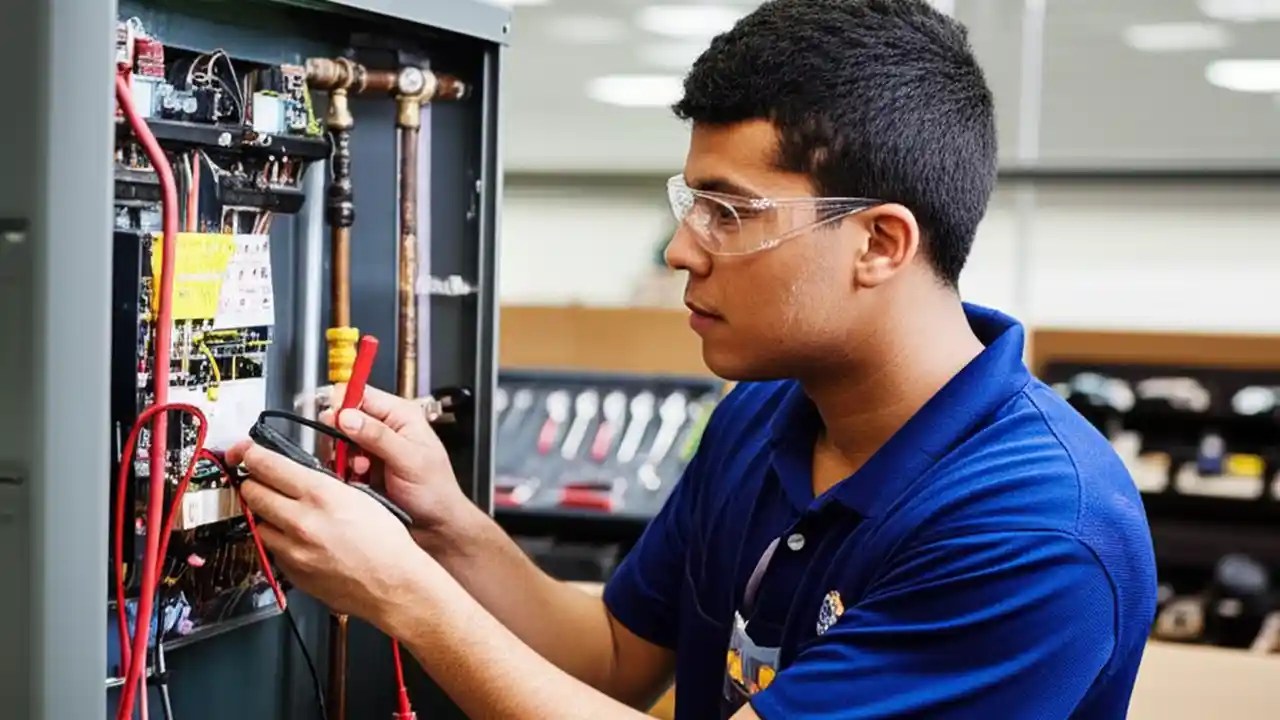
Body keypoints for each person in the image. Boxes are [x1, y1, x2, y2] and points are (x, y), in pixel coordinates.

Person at [231, 1, 1158, 718]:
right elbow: (615, 658)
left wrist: (405, 596)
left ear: (879, 242)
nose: (681, 250)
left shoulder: (1036, 533)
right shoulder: (767, 414)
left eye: (731, 211)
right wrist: (443, 528)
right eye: (689, 204)